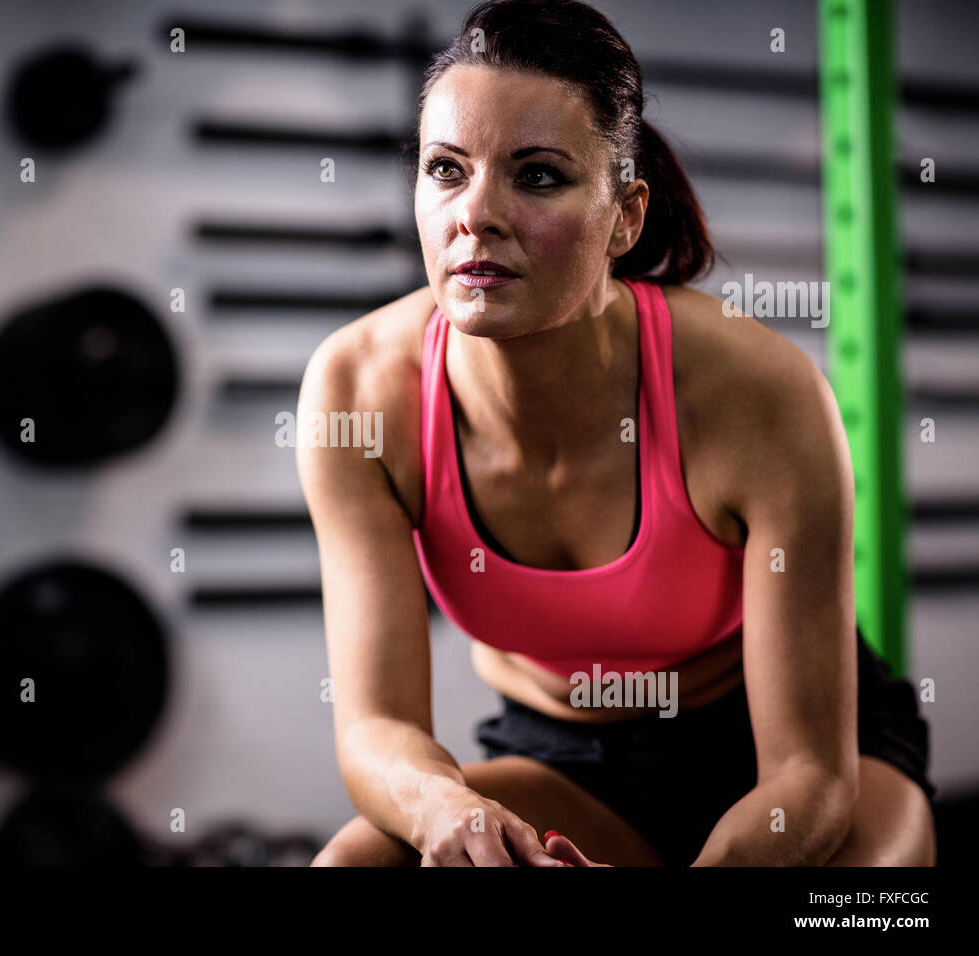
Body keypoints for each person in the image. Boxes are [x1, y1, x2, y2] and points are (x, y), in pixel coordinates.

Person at [294, 0, 935, 866]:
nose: (474, 214)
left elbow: (809, 777)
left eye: (539, 176)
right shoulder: (357, 391)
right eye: (447, 169)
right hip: (567, 764)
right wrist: (444, 807)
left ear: (625, 217)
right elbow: (375, 726)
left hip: (795, 762)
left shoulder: (762, 395)